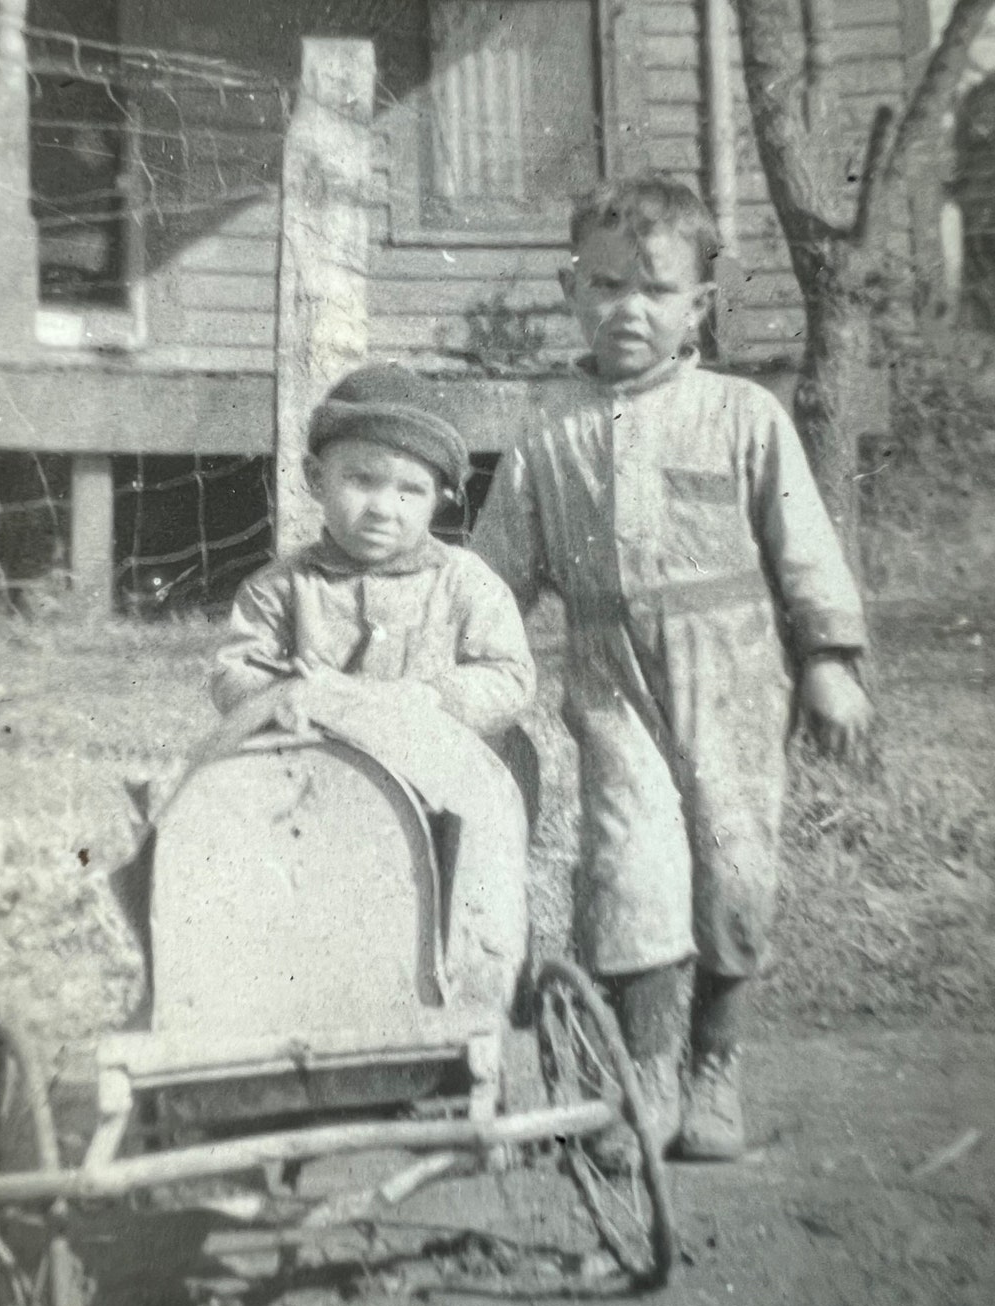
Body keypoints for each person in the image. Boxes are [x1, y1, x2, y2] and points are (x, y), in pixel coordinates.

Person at [471, 173, 873, 1160]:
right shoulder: (546, 437)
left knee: (736, 872)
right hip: (612, 686)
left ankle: (714, 1065)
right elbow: (492, 580)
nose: (628, 310)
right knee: (632, 869)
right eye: (606, 286)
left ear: (700, 303)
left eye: (654, 290)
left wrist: (828, 656)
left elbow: (804, 542)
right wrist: (460, 666)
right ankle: (643, 1078)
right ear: (573, 290)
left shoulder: (741, 415)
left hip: (732, 674)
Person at [209, 362, 537, 1018]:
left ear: (441, 499)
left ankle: (477, 995)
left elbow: (510, 676)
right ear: (314, 479)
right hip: (318, 781)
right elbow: (232, 671)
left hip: (445, 784)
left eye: (411, 491)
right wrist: (283, 698)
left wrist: (437, 697)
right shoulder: (281, 587)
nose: (384, 507)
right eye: (361, 480)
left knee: (467, 882)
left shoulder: (465, 582)